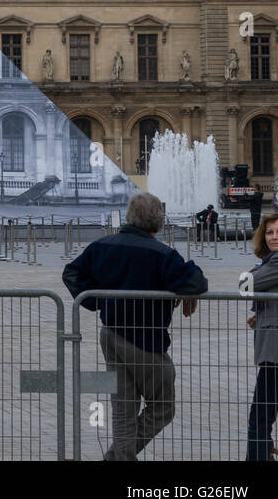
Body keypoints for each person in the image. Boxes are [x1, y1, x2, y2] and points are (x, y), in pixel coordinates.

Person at [62, 191, 209, 460]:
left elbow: (71, 272)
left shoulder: (102, 246)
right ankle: (116, 458)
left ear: (129, 216)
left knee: (123, 407)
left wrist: (94, 300)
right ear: (159, 221)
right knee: (162, 407)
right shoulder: (163, 254)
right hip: (146, 339)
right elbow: (196, 282)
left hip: (110, 333)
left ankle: (120, 457)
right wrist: (186, 292)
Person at [244, 212, 278, 461]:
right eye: (269, 232)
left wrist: (258, 269)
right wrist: (264, 315)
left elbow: (245, 286)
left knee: (260, 419)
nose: (274, 237)